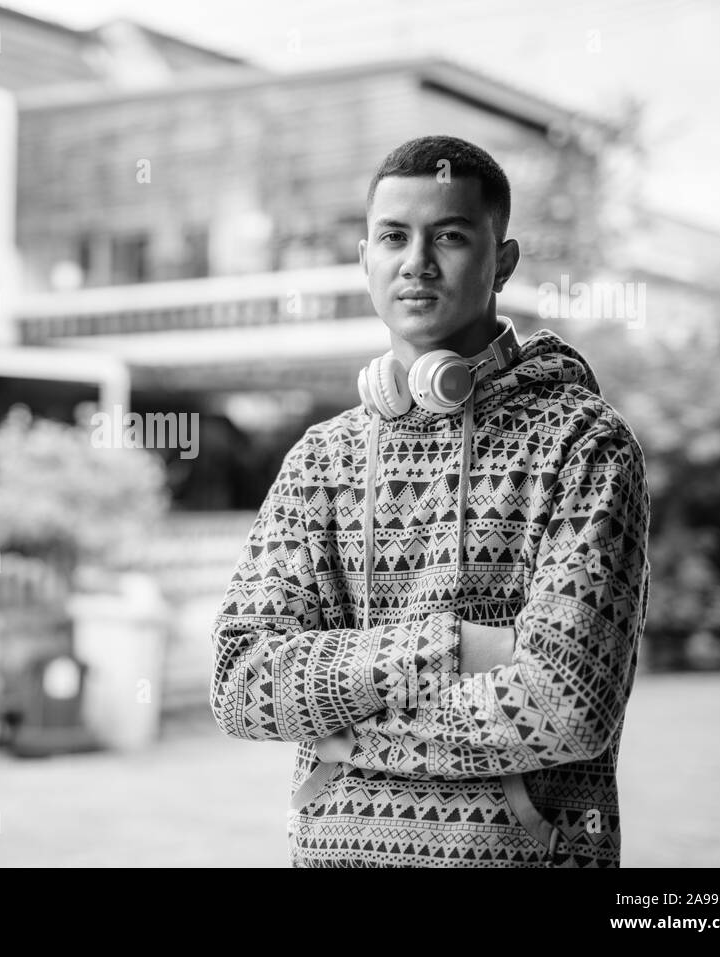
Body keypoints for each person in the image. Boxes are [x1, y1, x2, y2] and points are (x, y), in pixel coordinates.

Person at [210, 135, 651, 867]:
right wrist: (454, 646)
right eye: (393, 236)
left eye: (448, 235)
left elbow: (569, 702)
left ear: (501, 263)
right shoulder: (322, 458)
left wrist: (341, 731)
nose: (416, 261)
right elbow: (243, 681)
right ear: (365, 260)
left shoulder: (586, 445)